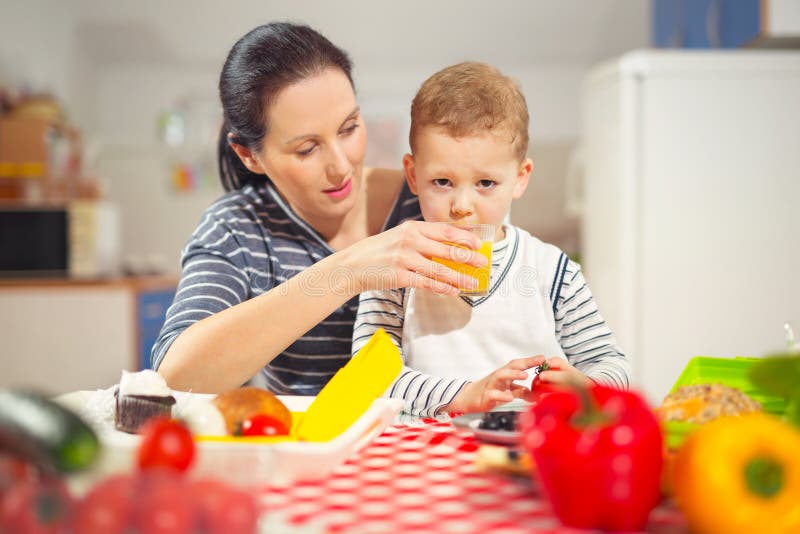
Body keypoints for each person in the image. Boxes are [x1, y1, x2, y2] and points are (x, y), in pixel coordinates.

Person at [151, 23, 489, 395]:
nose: (341, 166)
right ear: (249, 156)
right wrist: (349, 271)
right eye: (306, 149)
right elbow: (175, 377)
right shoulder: (237, 228)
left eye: (349, 128)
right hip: (311, 448)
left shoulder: (434, 199)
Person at [352, 62, 631, 417]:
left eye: (485, 183)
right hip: (426, 456)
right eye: (442, 182)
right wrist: (466, 394)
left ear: (519, 177)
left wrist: (585, 386)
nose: (462, 207)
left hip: (529, 452)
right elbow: (369, 376)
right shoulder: (392, 268)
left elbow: (613, 364)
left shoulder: (553, 271)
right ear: (412, 174)